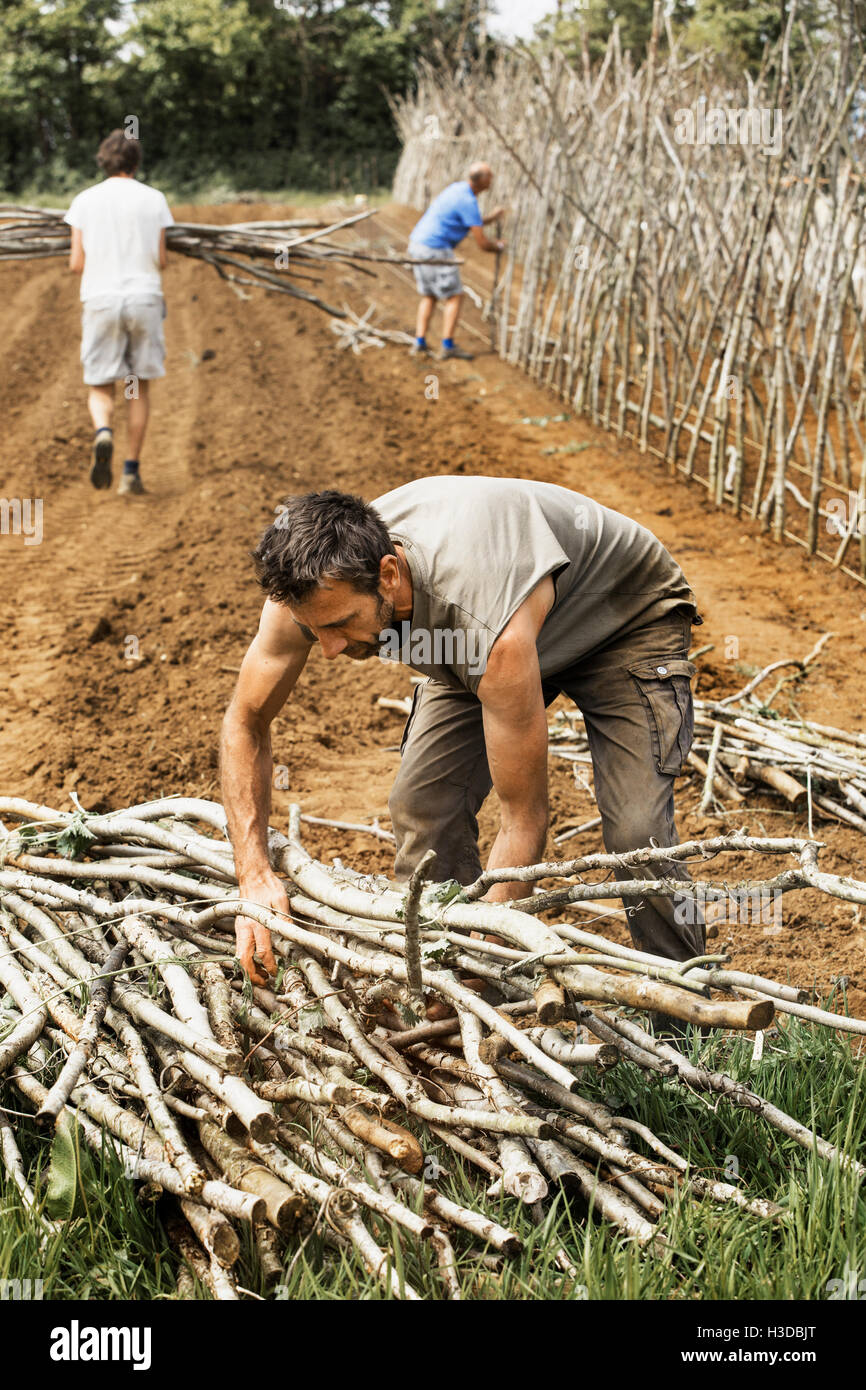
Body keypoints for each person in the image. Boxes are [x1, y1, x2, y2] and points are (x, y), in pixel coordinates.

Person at [221, 476, 706, 988]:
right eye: (314, 629)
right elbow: (245, 721)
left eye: (342, 624)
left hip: (621, 619)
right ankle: (434, 967)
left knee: (637, 832)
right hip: (492, 631)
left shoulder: (481, 621)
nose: (329, 649)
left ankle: (686, 1005)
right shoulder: (309, 593)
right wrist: (253, 876)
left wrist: (484, 955)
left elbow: (524, 818)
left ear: (389, 574)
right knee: (423, 805)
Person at [65, 129, 174, 496]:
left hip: (101, 300)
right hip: (144, 299)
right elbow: (162, 258)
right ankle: (130, 472)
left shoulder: (84, 201)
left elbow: (76, 263)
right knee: (137, 385)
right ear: (136, 162)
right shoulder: (154, 199)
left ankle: (103, 432)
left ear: (104, 161)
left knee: (100, 383)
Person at [407, 162, 505, 361]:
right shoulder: (468, 201)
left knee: (430, 295)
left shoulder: (457, 189)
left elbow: (469, 221)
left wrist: (490, 219)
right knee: (454, 296)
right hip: (435, 249)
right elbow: (482, 243)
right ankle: (448, 346)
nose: (492, 180)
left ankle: (420, 341)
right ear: (482, 180)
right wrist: (500, 246)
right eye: (490, 176)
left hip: (418, 243)